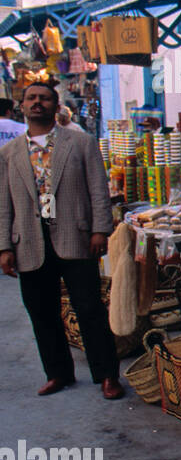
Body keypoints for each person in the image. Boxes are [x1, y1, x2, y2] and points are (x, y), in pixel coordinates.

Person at [0, 79, 124, 398]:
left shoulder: (80, 143)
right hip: (29, 240)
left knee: (89, 309)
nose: (37, 102)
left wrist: (100, 229)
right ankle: (58, 374)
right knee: (41, 312)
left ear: (57, 106)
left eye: (44, 98)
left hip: (75, 236)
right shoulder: (9, 153)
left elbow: (98, 189)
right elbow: (3, 203)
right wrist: (3, 247)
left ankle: (107, 375)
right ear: (22, 107)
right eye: (31, 98)